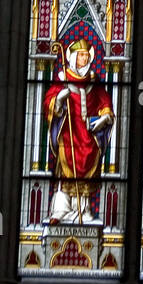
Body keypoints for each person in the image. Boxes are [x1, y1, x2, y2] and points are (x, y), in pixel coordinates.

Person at [45, 39, 114, 224]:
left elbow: (105, 103)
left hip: (89, 135)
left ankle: (83, 210)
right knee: (65, 172)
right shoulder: (63, 79)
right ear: (73, 57)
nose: (85, 58)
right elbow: (48, 103)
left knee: (87, 171)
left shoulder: (93, 81)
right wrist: (58, 101)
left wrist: (103, 119)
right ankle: (61, 210)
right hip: (69, 133)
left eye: (87, 55)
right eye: (82, 55)